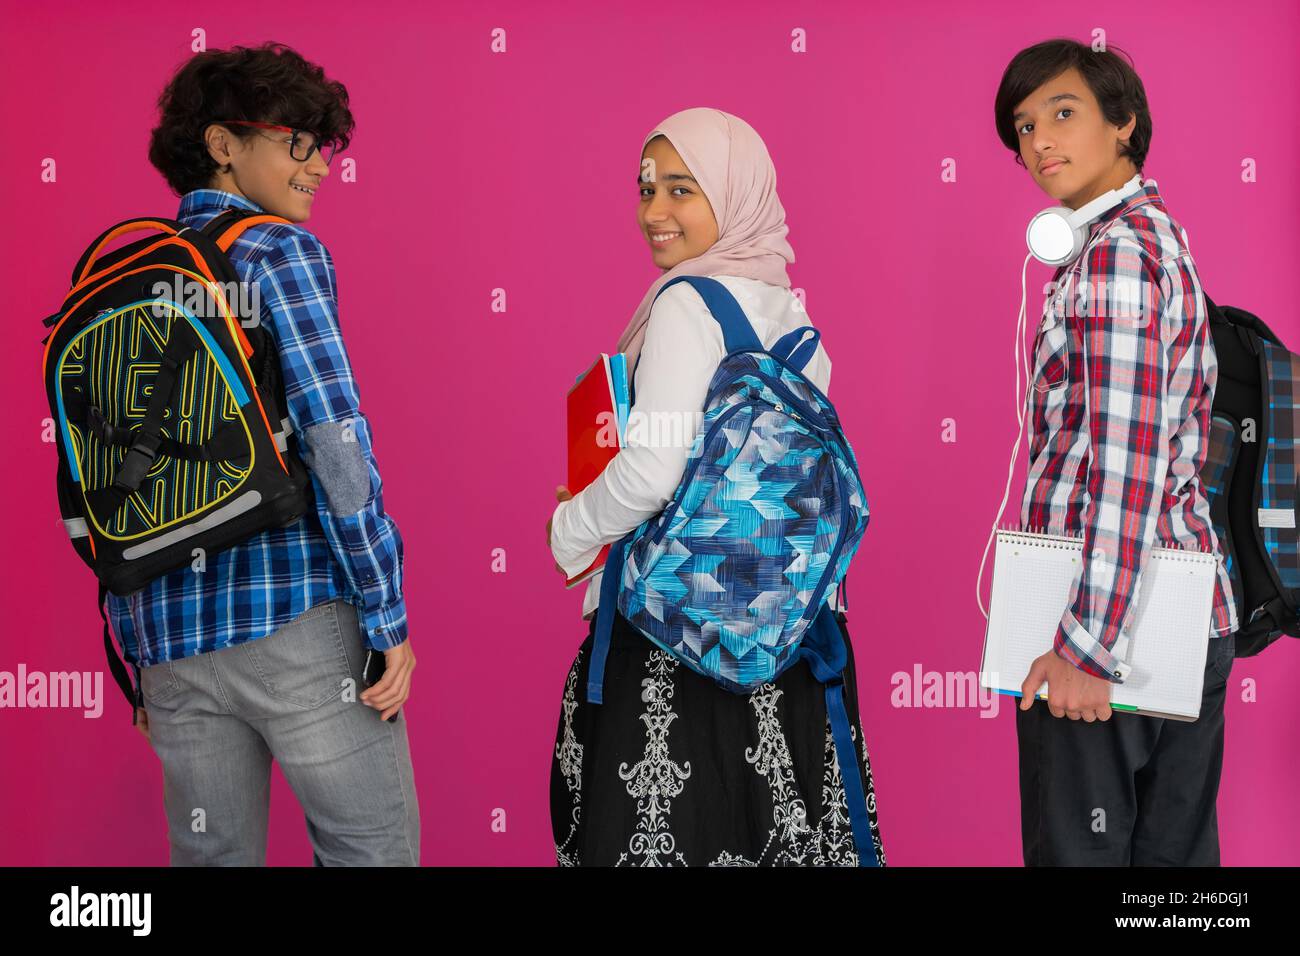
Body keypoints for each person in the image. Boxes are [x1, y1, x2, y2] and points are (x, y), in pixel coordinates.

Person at [545, 107, 885, 866]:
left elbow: (652, 471)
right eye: (645, 190)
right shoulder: (795, 316)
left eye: (681, 190)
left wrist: (569, 527)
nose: (655, 213)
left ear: (734, 195)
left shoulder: (684, 304)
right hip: (786, 636)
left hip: (675, 636)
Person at [114, 41, 419, 865]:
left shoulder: (122, 274)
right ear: (222, 145)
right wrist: (385, 610)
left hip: (168, 638)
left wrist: (131, 651)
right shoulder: (276, 250)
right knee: (371, 851)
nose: (317, 165)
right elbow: (334, 437)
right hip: (292, 616)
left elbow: (104, 475)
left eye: (323, 144)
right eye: (297, 141)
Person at [993, 38, 1238, 865]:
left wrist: (1087, 650)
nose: (1039, 143)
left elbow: (1127, 461)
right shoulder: (1150, 237)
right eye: (1024, 127)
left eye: (1063, 114)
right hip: (1177, 618)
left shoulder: (1117, 257)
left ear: (1124, 124)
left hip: (1111, 632)